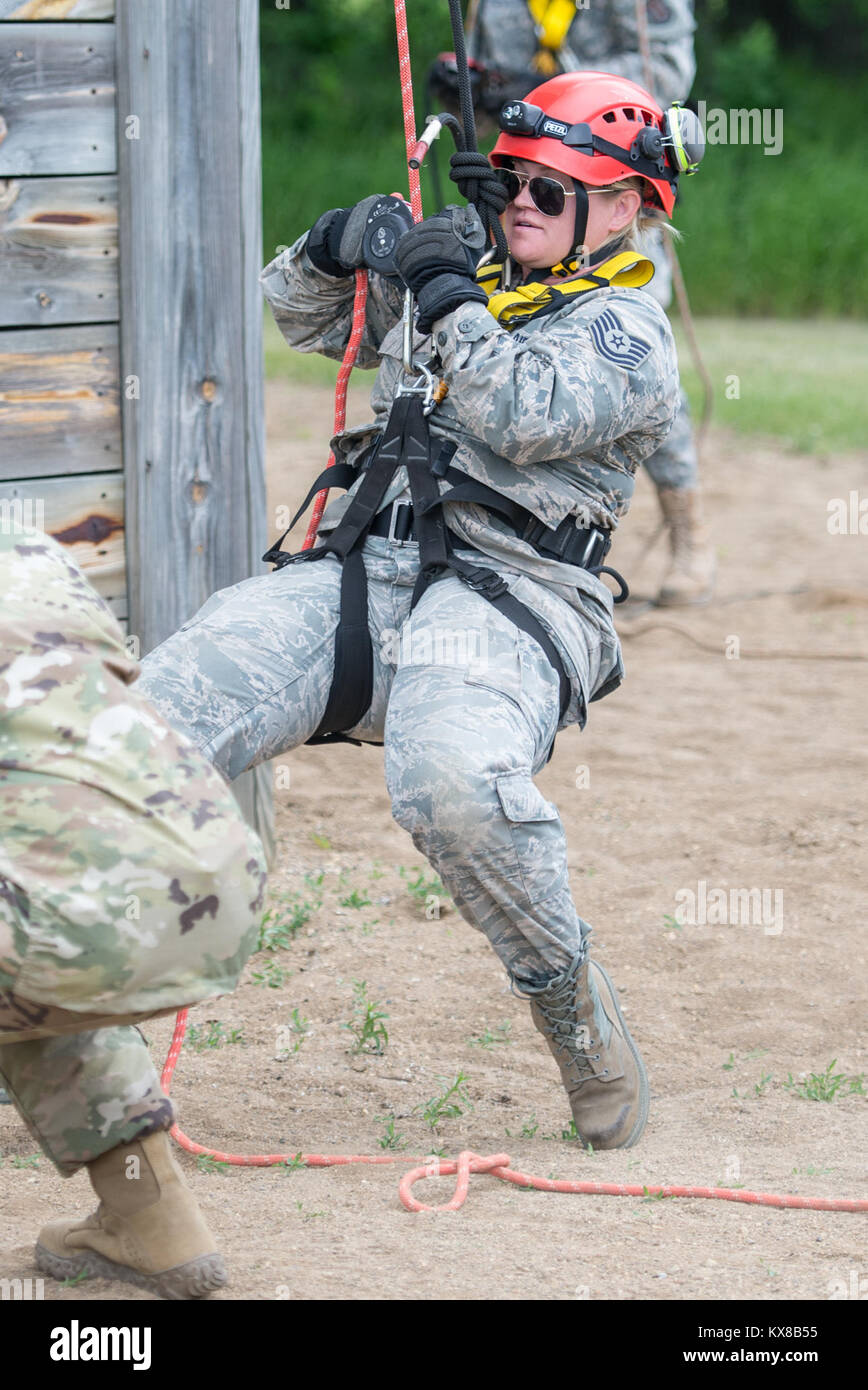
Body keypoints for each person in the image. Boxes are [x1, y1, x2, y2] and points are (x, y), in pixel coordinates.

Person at [136, 70, 697, 1152]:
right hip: (361, 575)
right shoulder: (470, 271)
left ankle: (571, 1006)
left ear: (625, 208)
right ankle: (63, 1005)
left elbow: (522, 411)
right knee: (155, 718)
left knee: (451, 785)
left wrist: (447, 295)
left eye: (557, 187)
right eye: (518, 177)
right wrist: (336, 243)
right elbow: (298, 316)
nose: (524, 199)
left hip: (511, 600)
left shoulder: (627, 333)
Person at [0, 524, 268, 1298]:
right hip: (210, 877)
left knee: (36, 925)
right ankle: (152, 1219)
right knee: (41, 935)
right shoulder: (27, 549)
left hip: (62, 915)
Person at [431, 0, 715, 604]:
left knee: (631, 363)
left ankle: (689, 533)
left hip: (601, 195)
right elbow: (497, 109)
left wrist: (536, 95)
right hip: (530, 195)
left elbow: (660, 75)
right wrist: (469, 83)